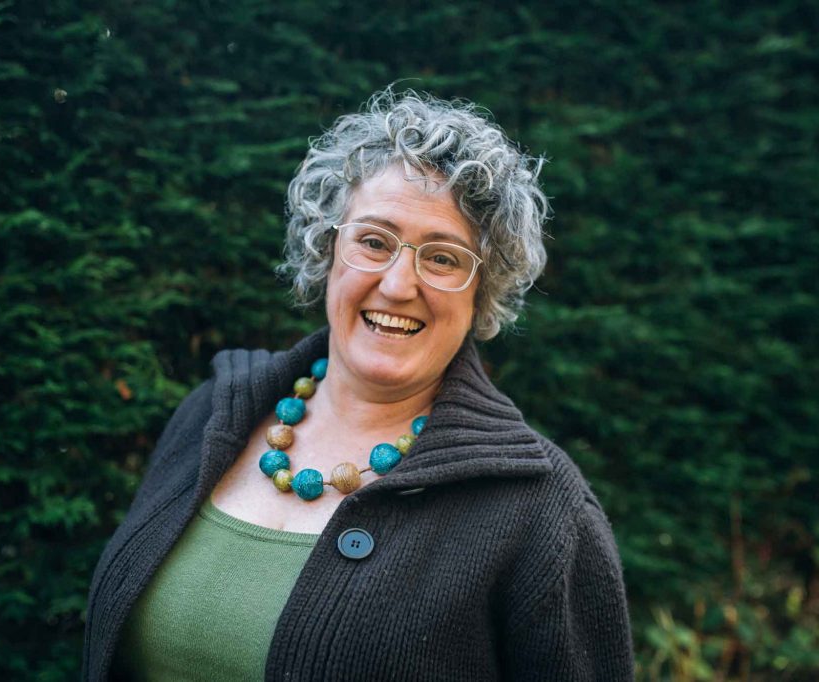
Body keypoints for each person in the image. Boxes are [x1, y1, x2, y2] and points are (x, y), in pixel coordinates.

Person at [82, 88, 634, 681]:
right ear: (328, 247)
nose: (398, 285)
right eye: (374, 241)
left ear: (482, 291)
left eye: (443, 258)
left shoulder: (542, 511)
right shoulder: (211, 415)